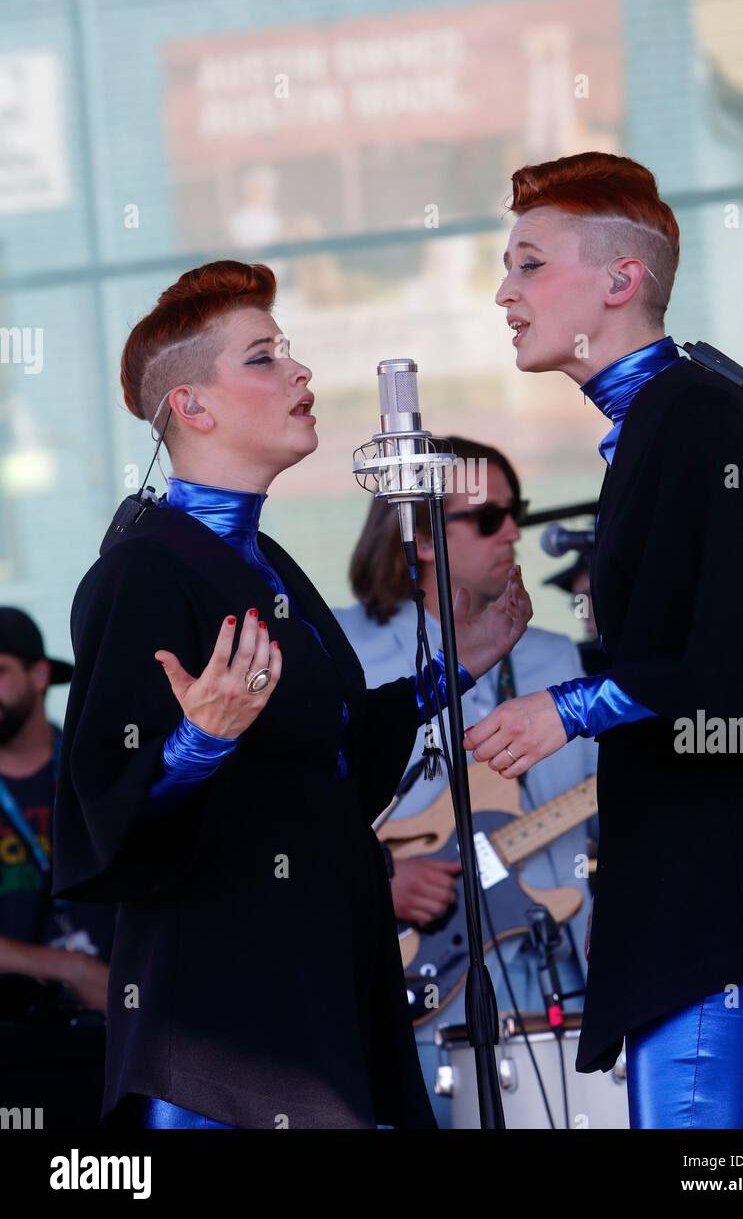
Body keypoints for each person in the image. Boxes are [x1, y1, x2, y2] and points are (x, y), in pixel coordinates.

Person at [51, 259, 531, 1130]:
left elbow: (326, 756)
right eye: (264, 357)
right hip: (224, 1033)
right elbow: (103, 807)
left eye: (289, 351)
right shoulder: (142, 571)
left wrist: (455, 668)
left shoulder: (266, 564)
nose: (300, 372)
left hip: (324, 980)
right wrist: (197, 741)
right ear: (192, 407)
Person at [463, 152, 743, 1129]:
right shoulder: (664, 422)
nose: (503, 294)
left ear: (618, 280)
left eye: (527, 264)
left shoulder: (692, 417)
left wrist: (565, 705)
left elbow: (734, 656)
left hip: (707, 886)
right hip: (707, 875)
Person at [334, 438, 598, 1126]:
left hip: (559, 979)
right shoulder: (340, 648)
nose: (514, 532)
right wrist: (376, 880)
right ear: (419, 537)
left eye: (518, 512)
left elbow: (605, 820)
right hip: (407, 994)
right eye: (487, 519)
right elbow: (286, 819)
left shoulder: (554, 653)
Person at [0, 607, 112, 1011]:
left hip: (121, 1034)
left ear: (40, 677)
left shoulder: (98, 771)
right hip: (18, 1042)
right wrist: (69, 969)